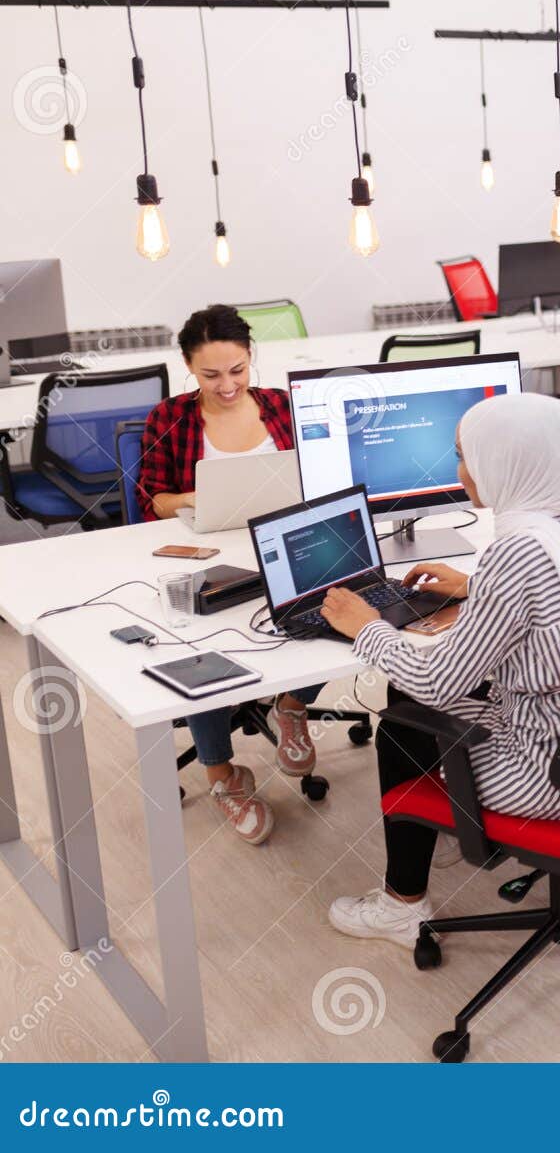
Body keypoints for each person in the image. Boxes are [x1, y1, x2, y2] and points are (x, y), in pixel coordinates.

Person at [320, 393, 560, 947]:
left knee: (402, 723)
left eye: (466, 456)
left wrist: (366, 626)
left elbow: (440, 682)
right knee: (410, 697)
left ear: (511, 461)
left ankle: (401, 907)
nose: (462, 472)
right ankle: (436, 834)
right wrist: (477, 588)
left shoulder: (516, 553)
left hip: (553, 775)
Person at [139, 305, 323, 845]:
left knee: (339, 598)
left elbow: (318, 475)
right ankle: (222, 773)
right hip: (205, 555)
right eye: (211, 374)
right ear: (188, 367)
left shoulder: (280, 405)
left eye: (238, 370)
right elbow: (152, 500)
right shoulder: (169, 418)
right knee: (197, 647)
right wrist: (196, 496)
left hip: (283, 543)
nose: (226, 385)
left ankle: (293, 705)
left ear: (250, 357)